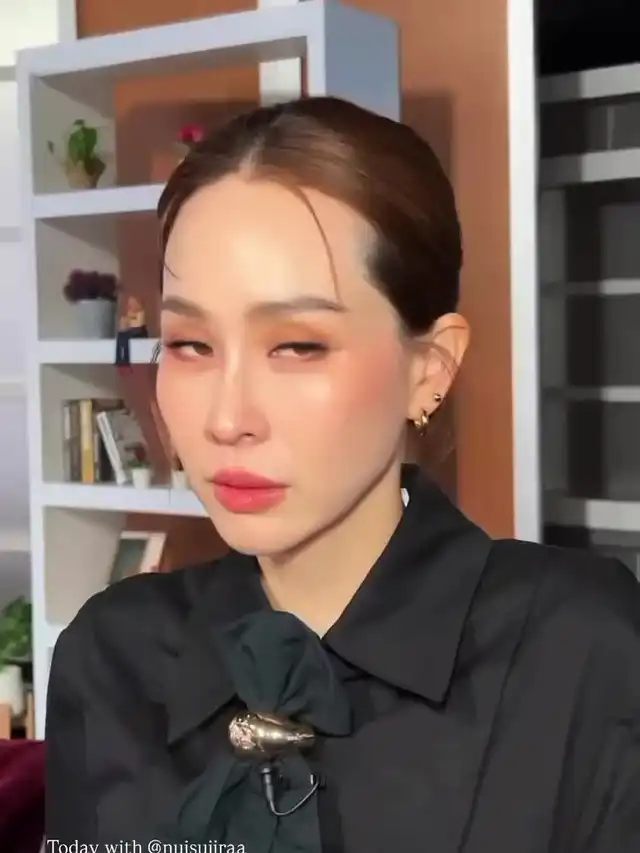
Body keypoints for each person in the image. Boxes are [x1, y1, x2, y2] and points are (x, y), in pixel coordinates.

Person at [45, 96, 640, 852]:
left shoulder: (582, 647)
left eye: (298, 346)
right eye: (191, 344)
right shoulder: (111, 656)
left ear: (430, 369)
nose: (227, 418)